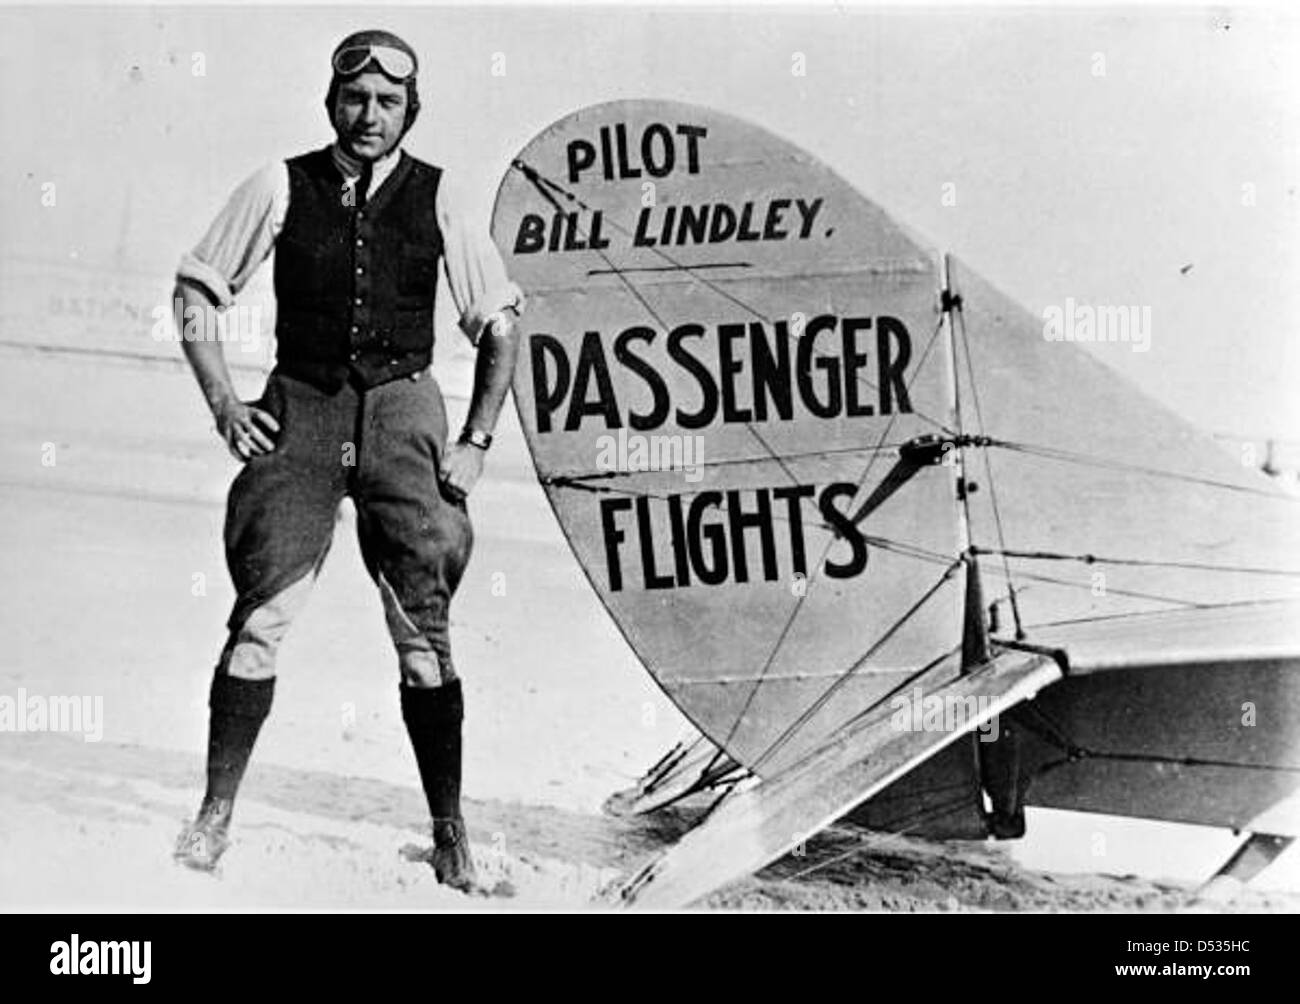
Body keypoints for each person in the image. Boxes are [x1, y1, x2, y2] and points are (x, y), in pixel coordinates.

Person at [170, 28, 523, 894]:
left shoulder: (441, 199)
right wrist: (224, 405)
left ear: (412, 111)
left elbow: (503, 327)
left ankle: (450, 835)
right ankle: (215, 816)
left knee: (423, 641)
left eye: (388, 103)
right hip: (303, 403)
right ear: (333, 102)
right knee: (262, 619)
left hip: (405, 412)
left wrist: (475, 443)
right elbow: (194, 291)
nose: (370, 116)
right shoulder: (279, 185)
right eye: (355, 99)